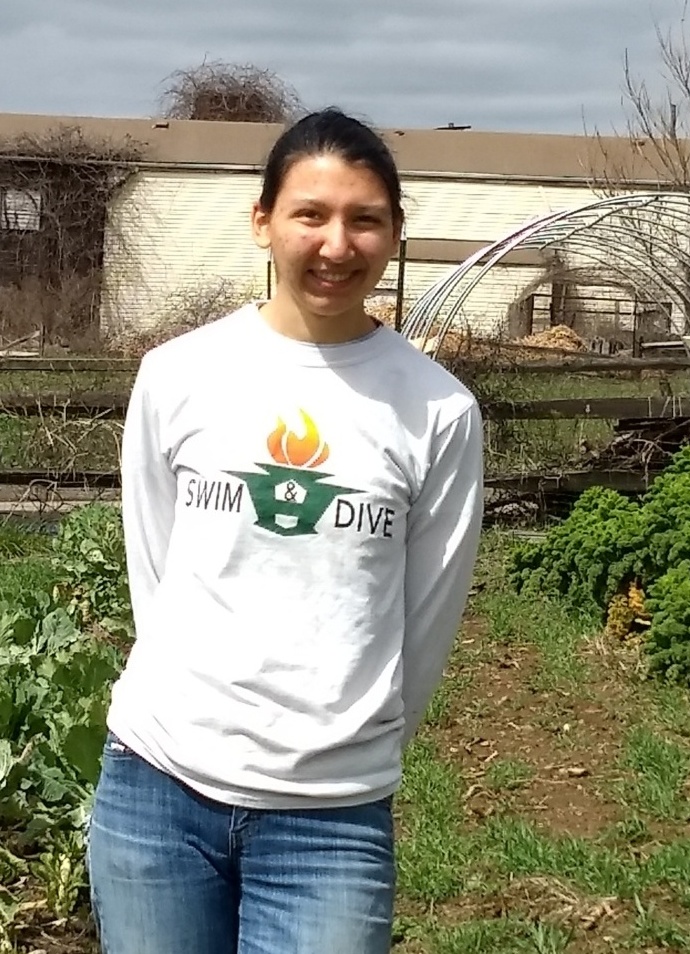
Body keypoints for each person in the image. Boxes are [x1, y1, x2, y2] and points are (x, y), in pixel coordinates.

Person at [86, 107, 485, 954]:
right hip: (158, 791)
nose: (336, 244)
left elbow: (428, 617)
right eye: (310, 213)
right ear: (263, 221)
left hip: (328, 822)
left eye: (364, 219)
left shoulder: (438, 410)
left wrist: (337, 744)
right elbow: (152, 566)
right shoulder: (178, 375)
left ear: (394, 234)